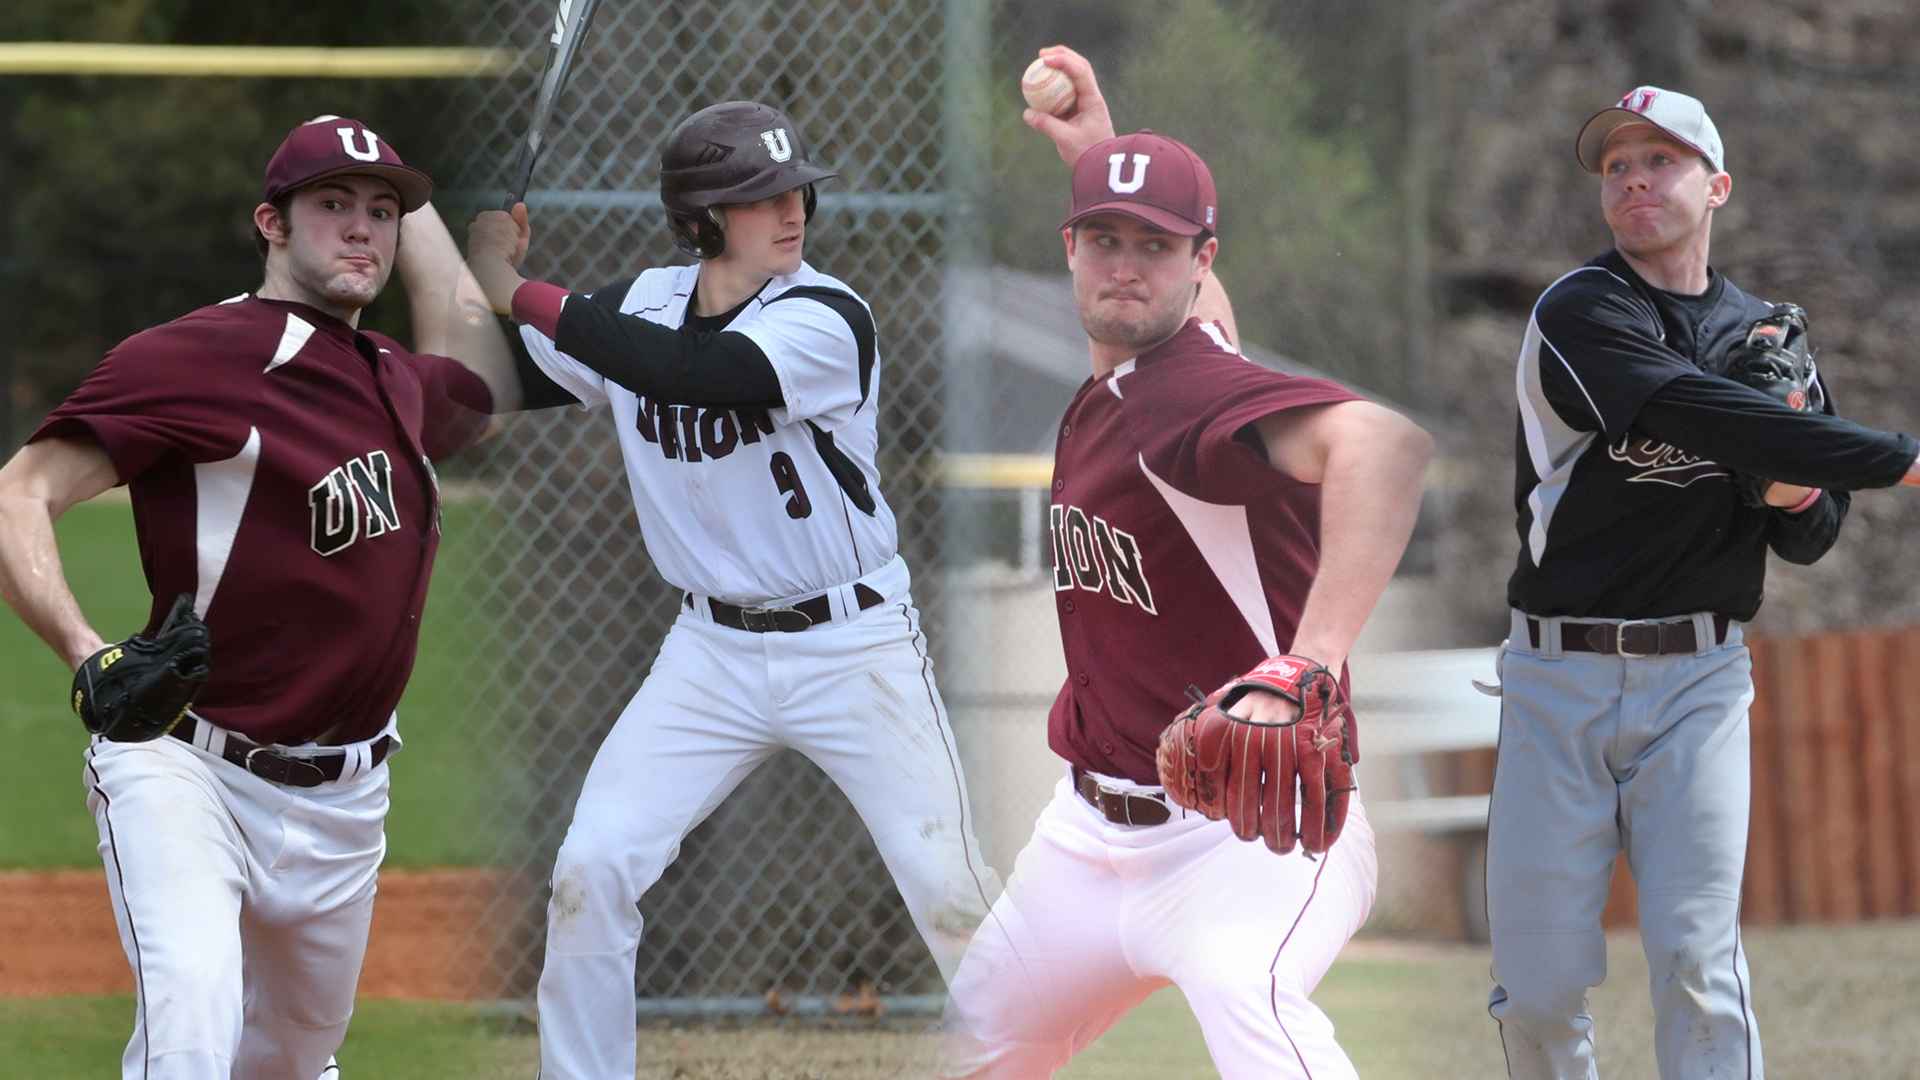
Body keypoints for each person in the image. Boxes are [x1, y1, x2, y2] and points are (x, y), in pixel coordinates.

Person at [463, 99, 1001, 1080]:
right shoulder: (643, 305)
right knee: (592, 870)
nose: (792, 209)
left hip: (855, 646)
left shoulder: (827, 316)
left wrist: (524, 291)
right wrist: (468, 279)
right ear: (703, 218)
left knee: (950, 890)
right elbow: (493, 379)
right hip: (709, 655)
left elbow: (692, 376)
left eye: (797, 190)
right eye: (758, 197)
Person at [940, 48, 1433, 1078]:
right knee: (973, 1046)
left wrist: (1311, 660)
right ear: (1068, 248)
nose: (1126, 264)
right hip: (1083, 841)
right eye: (1105, 239)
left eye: (1156, 246)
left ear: (1201, 256)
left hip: (1242, 834)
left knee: (1246, 999)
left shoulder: (1193, 392)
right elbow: (1193, 341)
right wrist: (1100, 149)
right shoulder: (1131, 377)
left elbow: (1385, 448)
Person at [0, 116, 515, 1080]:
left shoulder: (392, 382)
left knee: (288, 1062)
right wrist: (87, 653)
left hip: (349, 798)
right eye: (332, 206)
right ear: (270, 224)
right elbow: (17, 494)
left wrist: (451, 232)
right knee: (191, 1029)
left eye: (381, 212)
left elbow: (479, 385)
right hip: (188, 767)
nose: (362, 229)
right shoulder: (203, 355)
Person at [1490, 86, 1920, 1078]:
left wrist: (1787, 479)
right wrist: (1897, 456)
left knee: (1697, 961)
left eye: (1662, 159)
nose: (1636, 178)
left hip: (1700, 682)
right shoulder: (1584, 311)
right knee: (1541, 986)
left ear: (1717, 185)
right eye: (1616, 165)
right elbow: (1692, 410)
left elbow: (1810, 534)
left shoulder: (1766, 335)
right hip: (1557, 681)